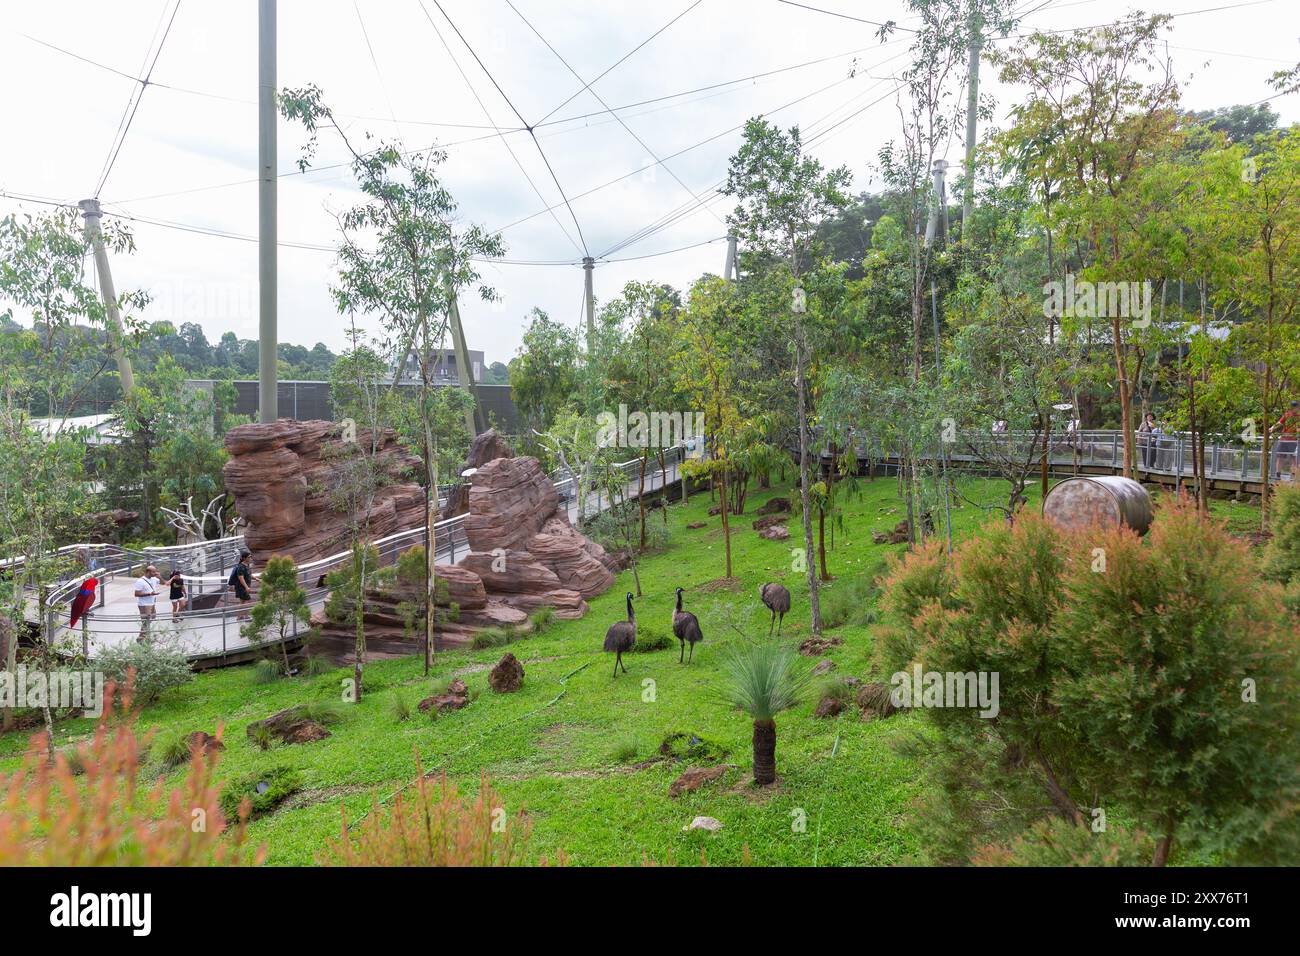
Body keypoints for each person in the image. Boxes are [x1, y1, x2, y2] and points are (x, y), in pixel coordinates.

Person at [134, 565, 160, 640]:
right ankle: (142, 637)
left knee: (152, 617)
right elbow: (136, 594)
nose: (155, 573)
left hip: (152, 603)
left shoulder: (154, 579)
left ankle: (142, 636)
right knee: (146, 621)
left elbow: (164, 583)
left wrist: (159, 576)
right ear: (148, 572)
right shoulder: (140, 581)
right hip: (144, 604)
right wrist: (149, 594)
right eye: (153, 572)